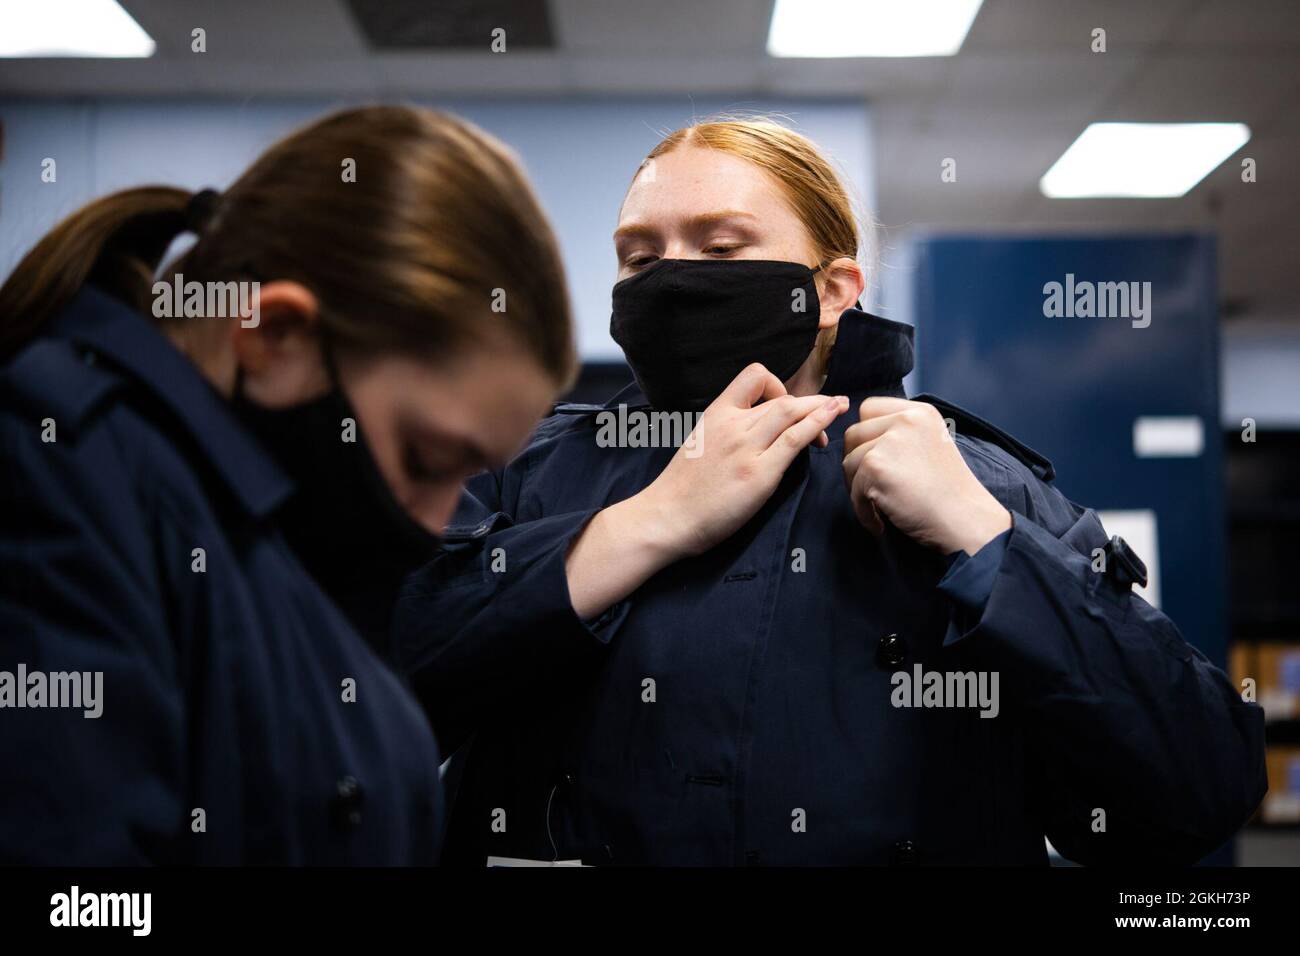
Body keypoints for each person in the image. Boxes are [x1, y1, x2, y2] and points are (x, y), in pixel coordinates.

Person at [394, 118, 1267, 866]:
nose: (670, 276)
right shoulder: (528, 471)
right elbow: (368, 690)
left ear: (832, 292)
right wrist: (650, 523)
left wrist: (989, 543)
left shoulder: (977, 483)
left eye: (722, 246)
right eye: (639, 255)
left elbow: (1193, 790)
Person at [0, 106, 575, 864]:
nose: (437, 523)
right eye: (426, 459)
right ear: (272, 335)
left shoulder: (265, 536)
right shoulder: (60, 466)